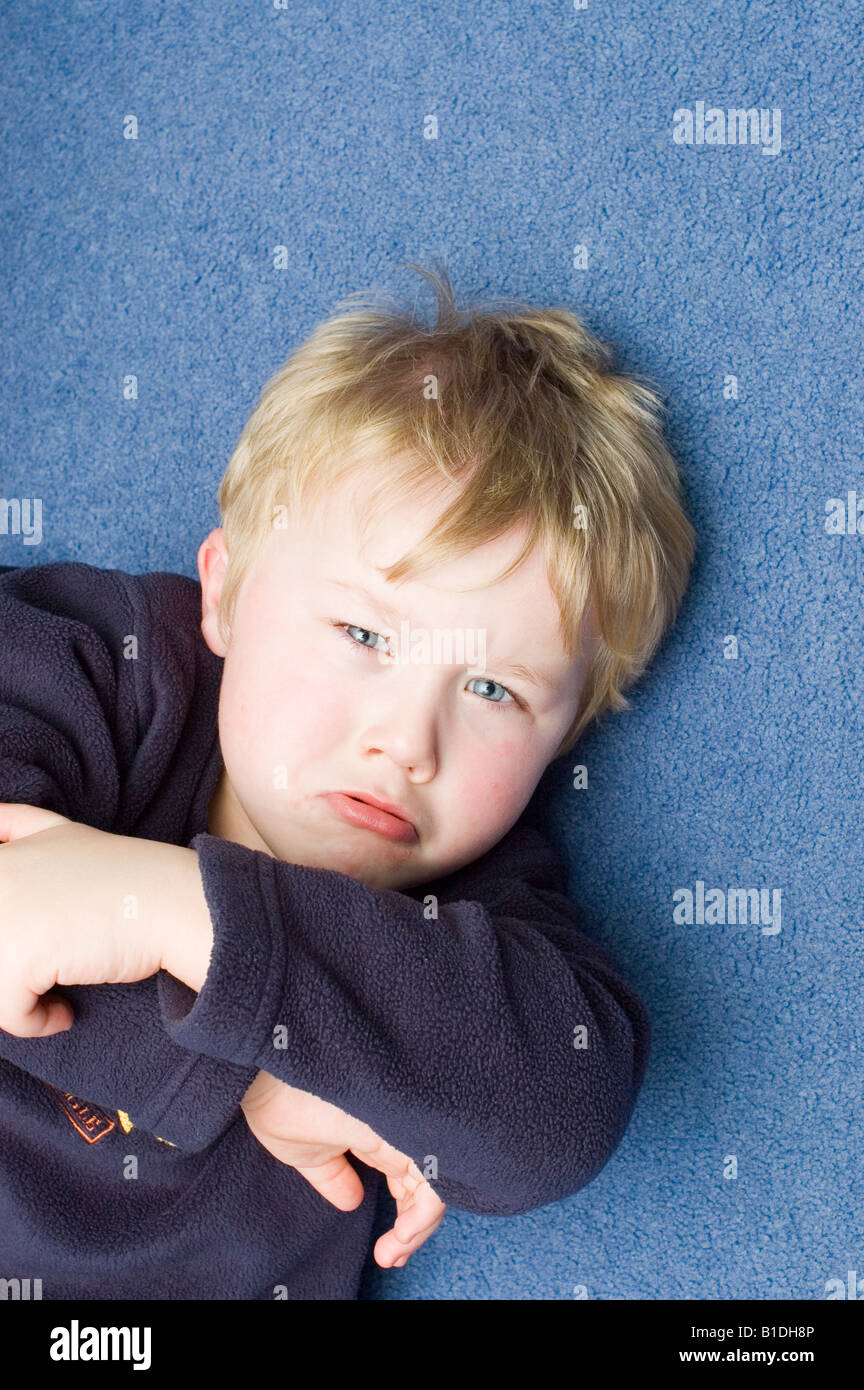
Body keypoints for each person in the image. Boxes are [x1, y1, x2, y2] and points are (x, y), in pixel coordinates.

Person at [0, 263, 696, 1299]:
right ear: (227, 593)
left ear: (565, 740)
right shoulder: (104, 664)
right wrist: (271, 1069)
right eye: (365, 632)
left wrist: (160, 908)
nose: (408, 739)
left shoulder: (475, 917)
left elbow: (562, 1115)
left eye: (496, 689)